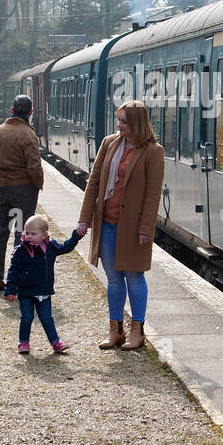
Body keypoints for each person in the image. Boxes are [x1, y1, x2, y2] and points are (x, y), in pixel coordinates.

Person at [76, 100, 165, 351]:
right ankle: (115, 330)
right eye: (119, 120)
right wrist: (85, 218)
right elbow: (94, 182)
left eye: (124, 121)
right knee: (113, 278)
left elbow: (153, 194)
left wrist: (146, 228)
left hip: (133, 227)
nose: (119, 125)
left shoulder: (153, 152)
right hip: (106, 223)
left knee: (134, 276)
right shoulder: (109, 143)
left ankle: (138, 331)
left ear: (137, 123)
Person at [0, 95, 45, 292]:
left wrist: (2, 179)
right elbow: (34, 167)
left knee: (1, 233)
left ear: (11, 111)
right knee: (22, 235)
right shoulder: (28, 135)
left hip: (4, 190)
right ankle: (18, 279)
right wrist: (37, 185)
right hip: (24, 191)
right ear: (30, 112)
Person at [4, 214, 84, 354]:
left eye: (33, 234)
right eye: (27, 233)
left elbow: (66, 247)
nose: (29, 236)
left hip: (44, 290)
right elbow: (13, 271)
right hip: (26, 292)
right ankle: (23, 342)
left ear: (44, 234)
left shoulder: (51, 246)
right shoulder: (21, 250)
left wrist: (76, 236)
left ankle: (55, 342)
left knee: (47, 317)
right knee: (26, 317)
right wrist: (10, 289)